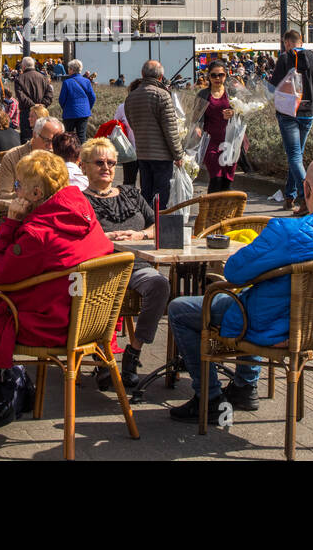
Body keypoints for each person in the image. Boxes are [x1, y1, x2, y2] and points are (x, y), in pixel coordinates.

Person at [167, 156, 313, 424]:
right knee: (258, 296)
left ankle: (210, 398)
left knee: (181, 308)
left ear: (306, 189)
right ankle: (244, 387)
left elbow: (235, 272)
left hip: (276, 327)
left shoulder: (287, 229)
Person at [0, 151, 113, 432]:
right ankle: (5, 385)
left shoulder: (38, 231)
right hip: (88, 319)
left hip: (49, 323)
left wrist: (10, 223)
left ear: (36, 193)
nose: (14, 191)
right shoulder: (82, 209)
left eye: (18, 185)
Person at [79, 137, 170, 389]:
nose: (106, 167)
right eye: (99, 162)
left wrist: (140, 235)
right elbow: (74, 236)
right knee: (96, 292)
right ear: (84, 166)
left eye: (110, 162)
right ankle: (102, 359)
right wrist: (102, 237)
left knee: (160, 284)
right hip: (101, 267)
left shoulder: (131, 193)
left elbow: (158, 226)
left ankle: (133, 353)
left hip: (137, 265)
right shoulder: (79, 200)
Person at [269, 29, 313, 213]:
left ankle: (307, 198)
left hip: (288, 113)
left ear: (286, 42)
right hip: (307, 113)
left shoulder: (285, 59)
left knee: (294, 156)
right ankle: (289, 196)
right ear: (301, 41)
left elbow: (273, 88)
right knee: (297, 156)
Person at [123, 60, 185, 210]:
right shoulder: (162, 95)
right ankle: (157, 227)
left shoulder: (131, 96)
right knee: (161, 196)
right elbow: (170, 129)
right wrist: (178, 154)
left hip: (142, 152)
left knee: (146, 192)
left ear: (142, 74)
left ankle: (147, 225)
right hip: (162, 155)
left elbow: (132, 123)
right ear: (161, 76)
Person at [0, 117, 62, 209]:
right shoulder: (13, 157)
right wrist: (28, 195)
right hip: (18, 216)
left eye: (56, 142)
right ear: (34, 134)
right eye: (47, 140)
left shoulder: (58, 158)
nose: (51, 146)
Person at [191, 60, 236, 193]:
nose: (217, 78)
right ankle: (211, 211)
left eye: (221, 75)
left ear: (226, 76)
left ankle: (225, 212)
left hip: (230, 141)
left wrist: (233, 113)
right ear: (208, 77)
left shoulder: (231, 94)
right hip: (210, 141)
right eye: (213, 75)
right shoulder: (203, 95)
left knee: (227, 180)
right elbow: (196, 118)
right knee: (216, 177)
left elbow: (243, 113)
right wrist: (197, 127)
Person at [13, 56, 54, 142]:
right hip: (42, 111)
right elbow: (50, 94)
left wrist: (33, 105)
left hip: (27, 112)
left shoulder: (19, 79)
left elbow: (21, 96)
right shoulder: (43, 78)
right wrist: (42, 104)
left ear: (23, 67)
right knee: (43, 137)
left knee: (27, 139)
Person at [58, 59, 97, 141]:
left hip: (70, 112)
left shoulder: (67, 82)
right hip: (83, 112)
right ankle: (82, 153)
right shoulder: (86, 81)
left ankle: (70, 153)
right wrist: (87, 107)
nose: (68, 70)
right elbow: (92, 97)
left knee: (69, 137)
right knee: (81, 135)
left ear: (72, 69)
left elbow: (62, 99)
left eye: (68, 68)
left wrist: (65, 108)